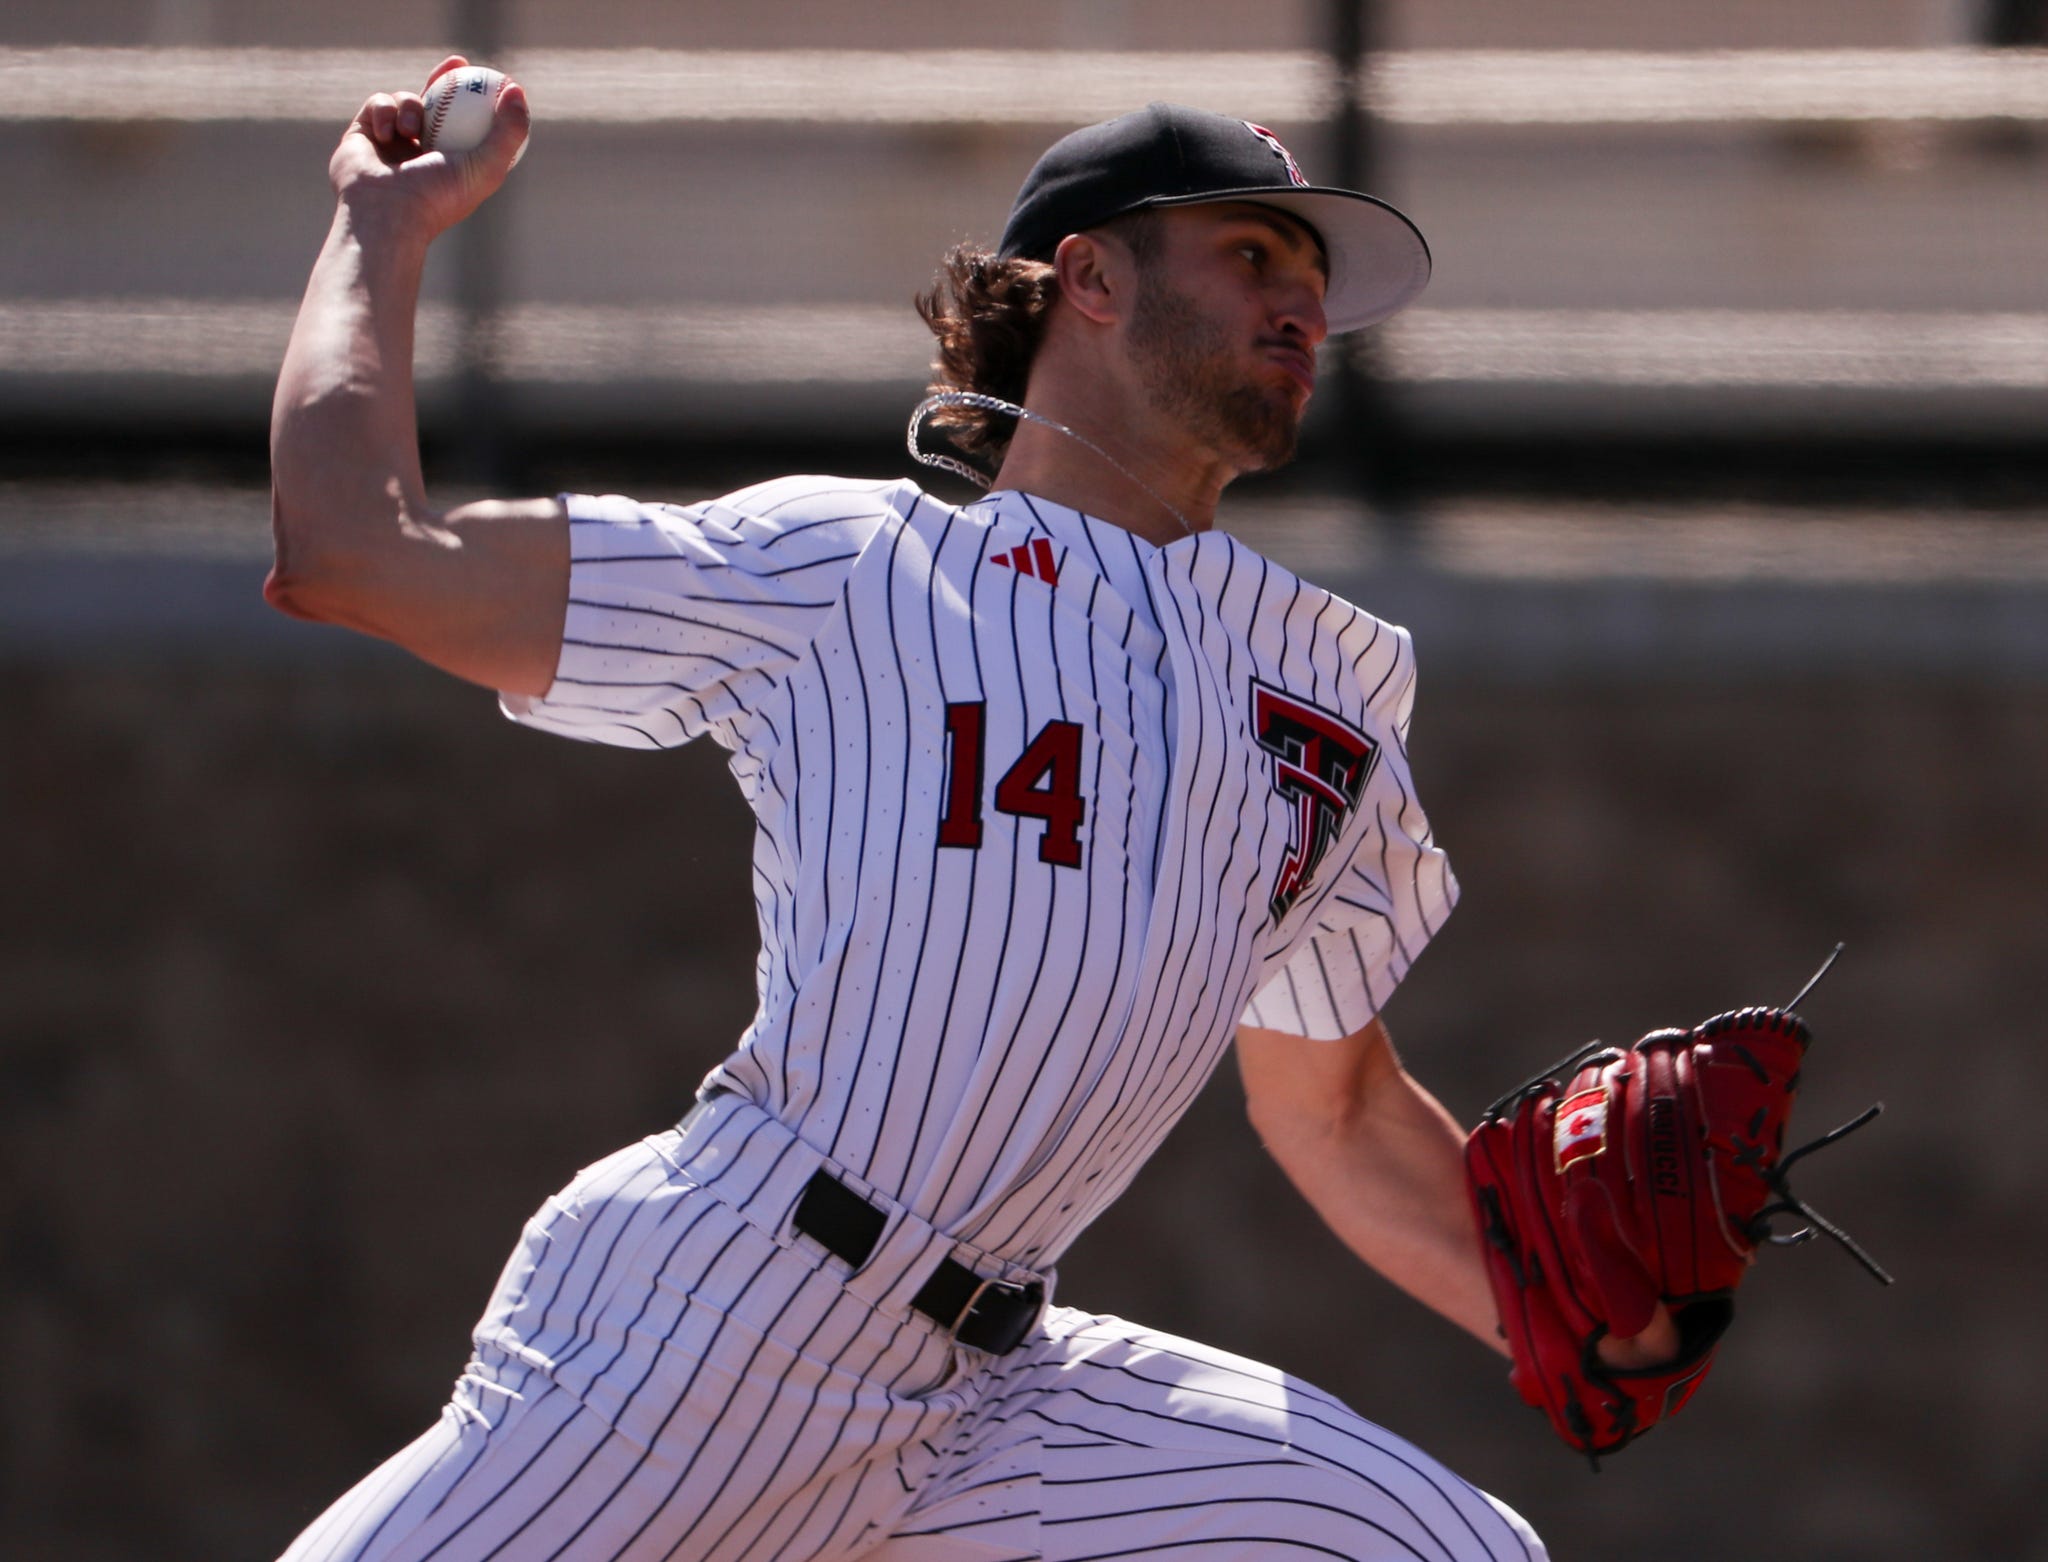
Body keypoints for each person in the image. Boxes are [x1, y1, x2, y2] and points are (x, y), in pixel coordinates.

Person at [267, 57, 1675, 1562]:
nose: (1302, 308)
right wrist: (384, 228)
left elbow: (1328, 1107)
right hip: (719, 1333)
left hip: (991, 1398)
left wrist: (1601, 1331)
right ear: (1090, 279)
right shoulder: (848, 570)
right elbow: (355, 549)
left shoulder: (1318, 691)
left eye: (1315, 279)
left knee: (1451, 1552)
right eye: (1252, 253)